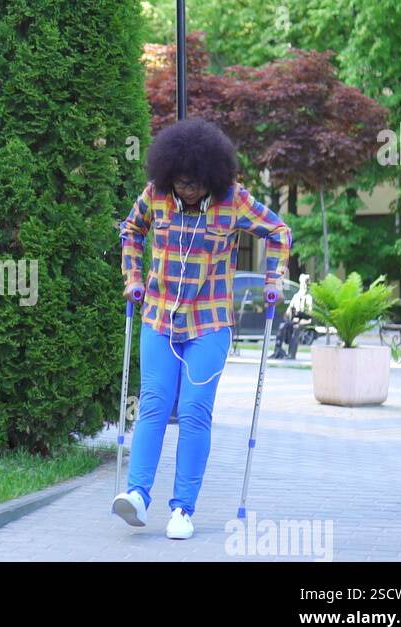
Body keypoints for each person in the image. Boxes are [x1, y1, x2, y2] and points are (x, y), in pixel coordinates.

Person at [111, 118, 292, 539]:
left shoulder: (234, 200)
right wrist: (132, 278)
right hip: (158, 317)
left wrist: (272, 279)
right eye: (178, 183)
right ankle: (136, 495)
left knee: (194, 412)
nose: (185, 191)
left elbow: (279, 232)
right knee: (154, 405)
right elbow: (131, 229)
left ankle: (183, 511)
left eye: (192, 184)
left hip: (209, 325)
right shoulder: (157, 194)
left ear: (211, 176)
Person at [270, 273, 313, 360]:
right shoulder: (296, 296)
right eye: (304, 283)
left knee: (296, 328)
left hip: (304, 321)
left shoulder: (308, 298)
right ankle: (277, 351)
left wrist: (300, 314)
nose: (305, 286)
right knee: (282, 326)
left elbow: (309, 314)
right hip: (293, 320)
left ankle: (291, 353)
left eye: (306, 284)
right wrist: (289, 314)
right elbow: (288, 311)